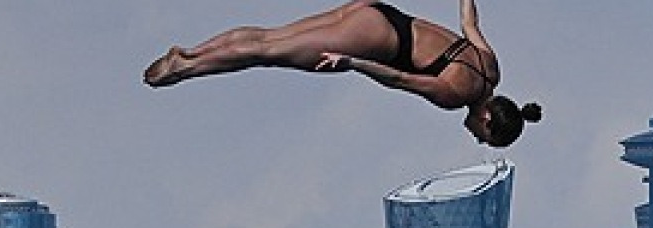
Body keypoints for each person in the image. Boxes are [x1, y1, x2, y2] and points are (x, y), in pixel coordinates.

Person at [143, 0, 541, 147]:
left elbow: (469, 21)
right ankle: (187, 67)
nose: (476, 139)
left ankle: (192, 54)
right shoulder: (456, 95)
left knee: (270, 37)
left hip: (380, 12)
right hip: (374, 40)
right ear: (488, 120)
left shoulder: (492, 68)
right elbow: (400, 79)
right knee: (267, 51)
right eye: (484, 138)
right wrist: (352, 63)